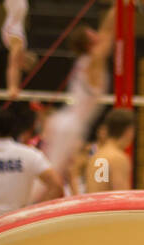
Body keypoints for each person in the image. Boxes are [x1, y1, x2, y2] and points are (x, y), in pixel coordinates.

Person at [37, 1, 116, 200]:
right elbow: (109, 33)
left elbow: (105, 33)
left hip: (65, 121)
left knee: (53, 174)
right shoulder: (93, 61)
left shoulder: (85, 61)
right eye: (93, 34)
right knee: (52, 176)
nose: (98, 35)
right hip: (69, 125)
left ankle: (26, 208)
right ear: (90, 43)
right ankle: (23, 210)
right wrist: (119, 7)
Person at [87, 109, 134, 192]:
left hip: (93, 203)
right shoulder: (118, 158)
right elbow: (120, 194)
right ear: (129, 131)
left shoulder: (96, 156)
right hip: (107, 204)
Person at [2, 0, 37, 99]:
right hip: (17, 11)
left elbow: (14, 66)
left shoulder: (18, 43)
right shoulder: (19, 43)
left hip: (17, 10)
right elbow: (13, 65)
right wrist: (12, 87)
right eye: (22, 66)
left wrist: (14, 87)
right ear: (24, 60)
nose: (19, 66)